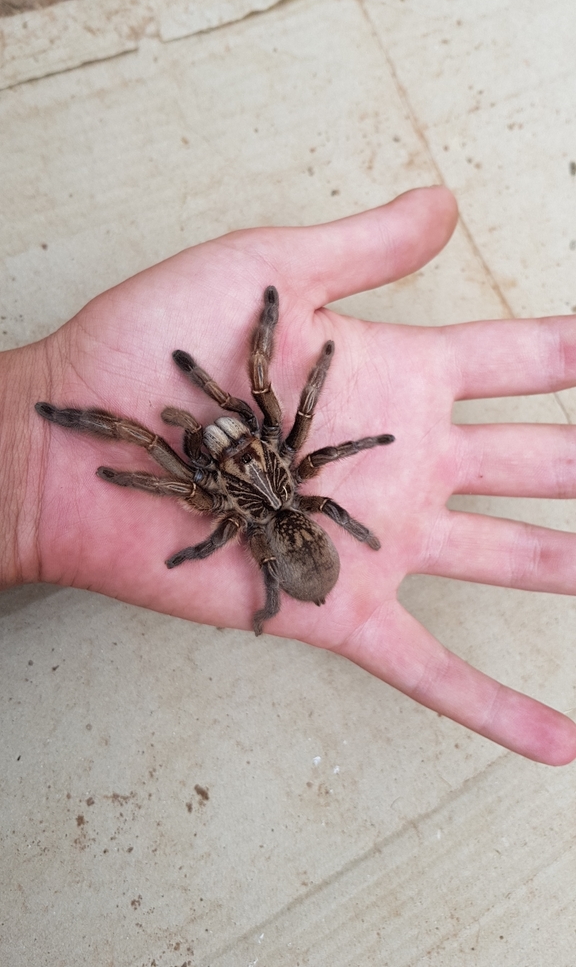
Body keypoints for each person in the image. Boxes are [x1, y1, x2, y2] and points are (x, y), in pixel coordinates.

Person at [2, 186, 575, 765]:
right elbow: (293, 413)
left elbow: (201, 488)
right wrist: (27, 459)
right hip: (278, 511)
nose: (229, 436)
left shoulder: (223, 498)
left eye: (237, 435)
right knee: (236, 415)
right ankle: (58, 427)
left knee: (154, 442)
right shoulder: (288, 468)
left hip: (277, 539)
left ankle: (276, 598)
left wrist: (224, 564)